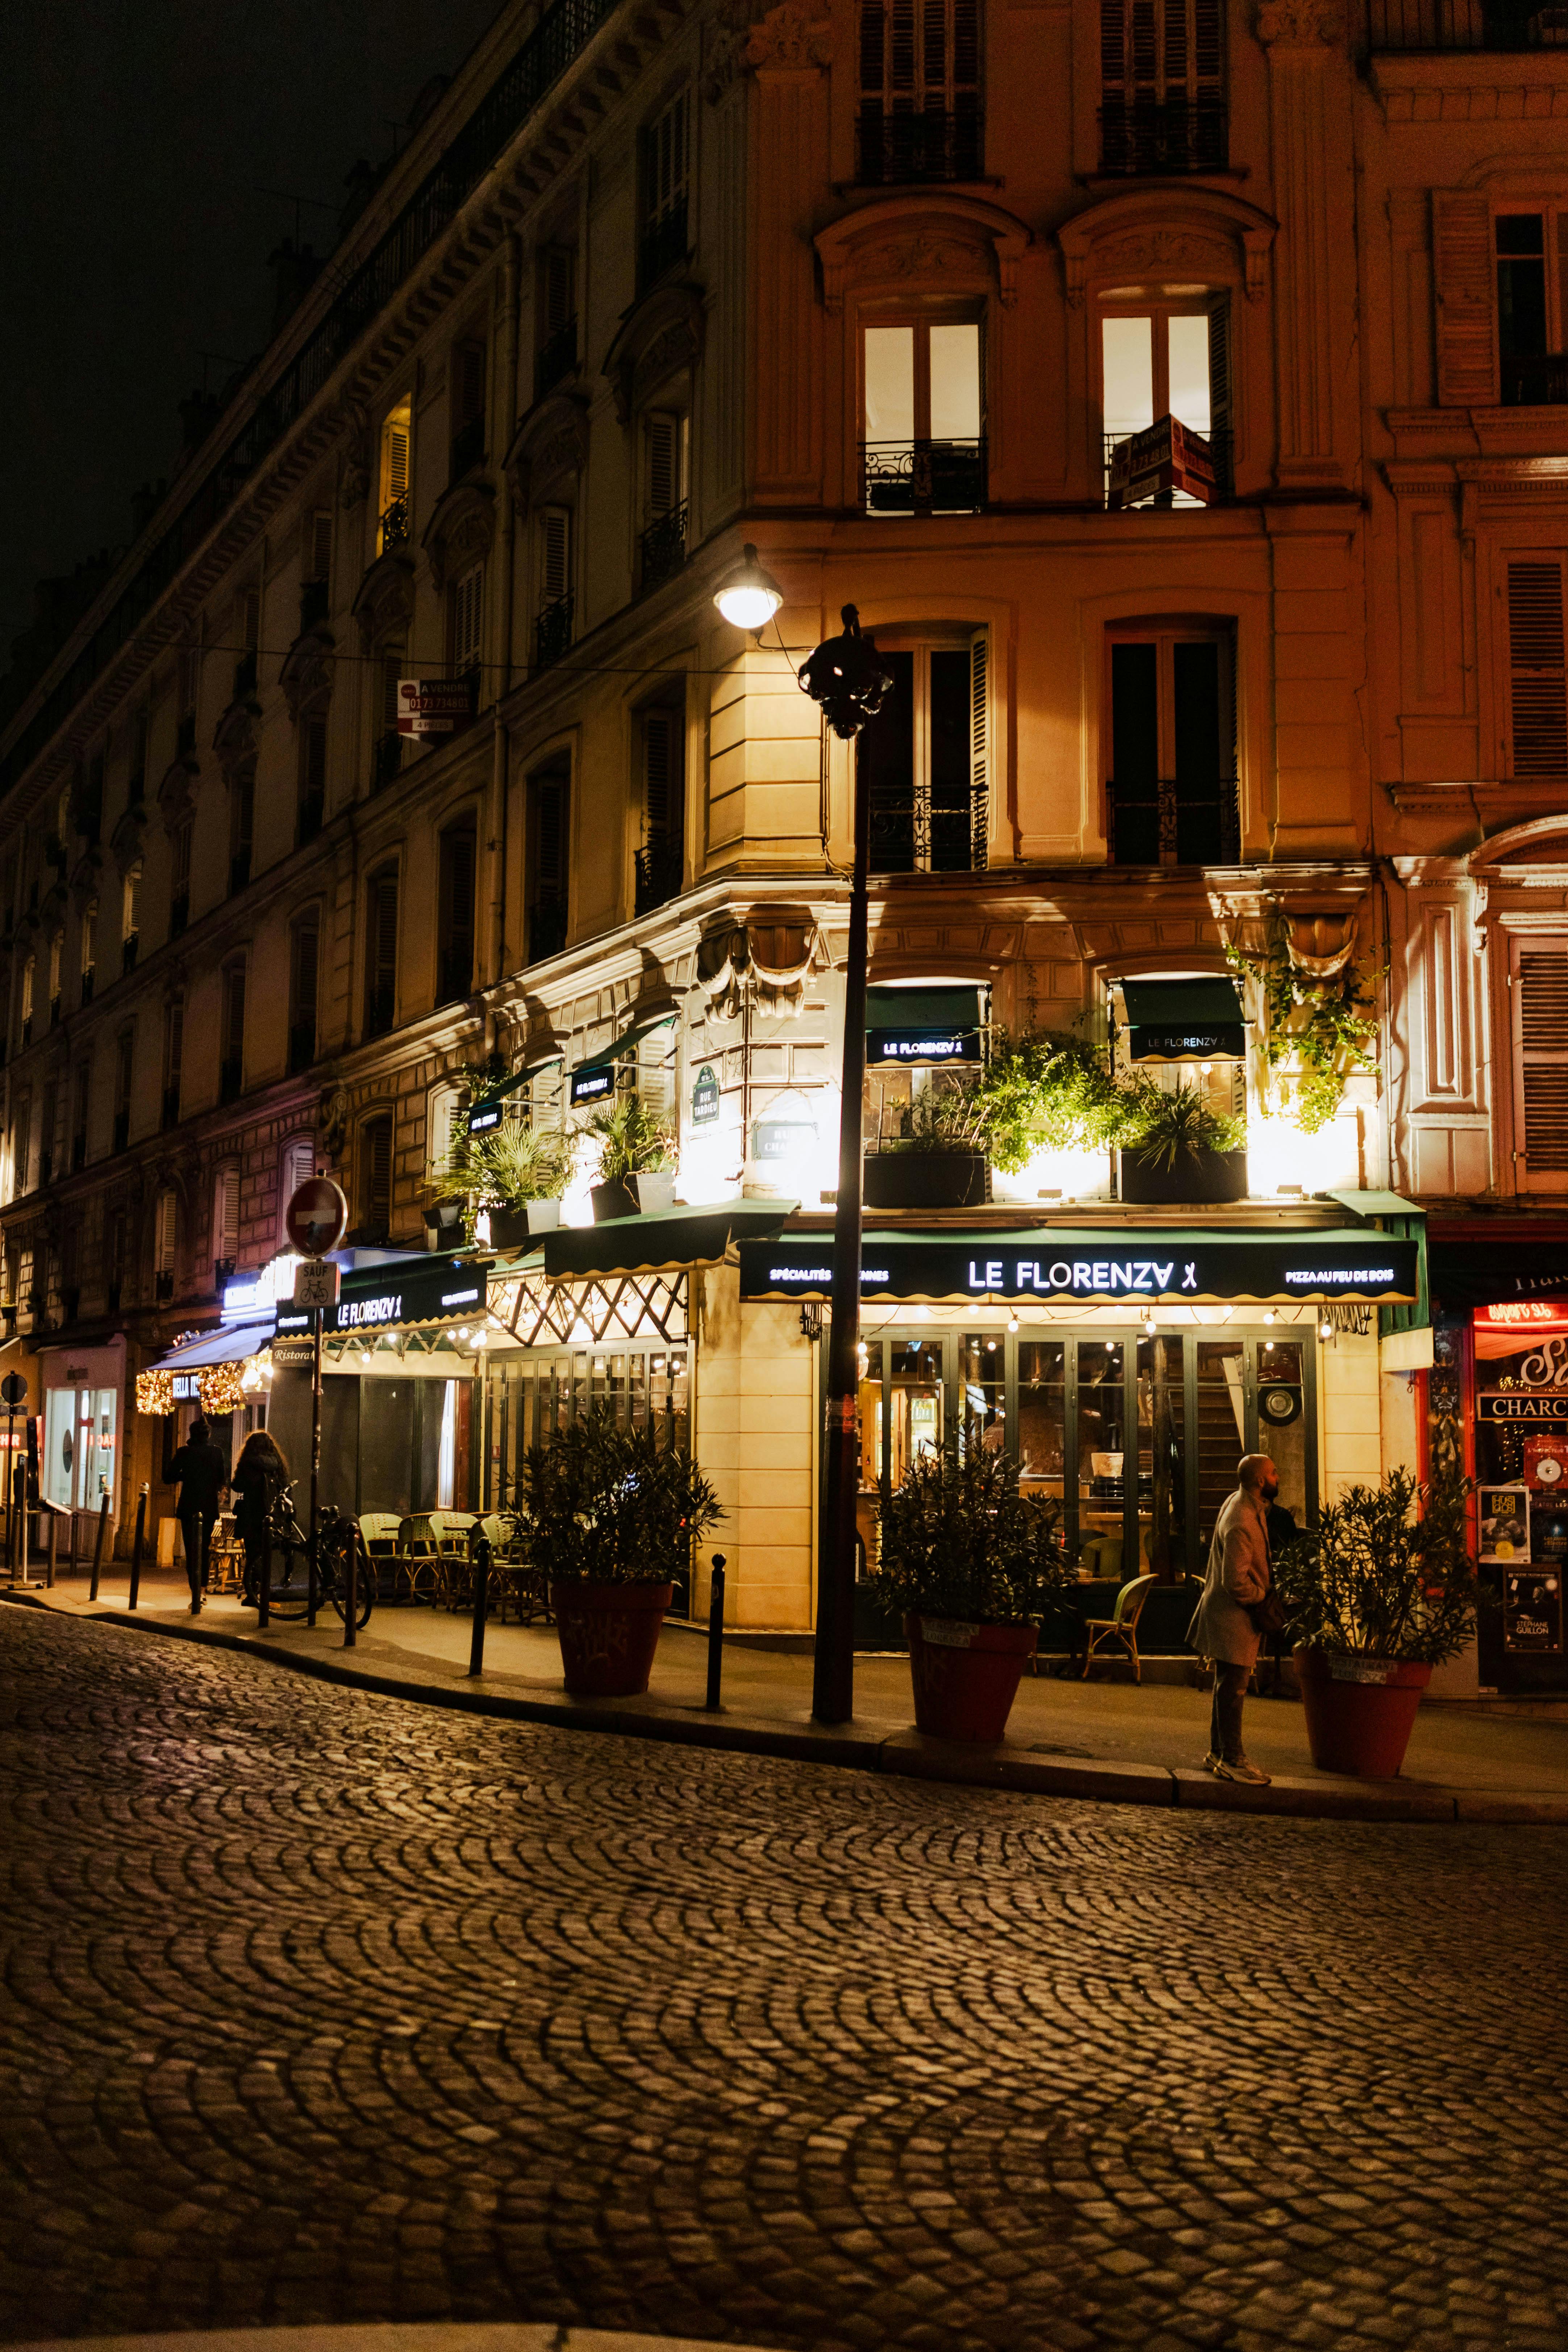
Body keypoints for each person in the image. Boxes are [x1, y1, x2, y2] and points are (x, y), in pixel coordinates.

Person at [1188, 1453, 1279, 1785]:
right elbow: (1235, 1580)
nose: (1277, 1477)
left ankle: (1219, 1752)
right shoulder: (1242, 1517)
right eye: (1273, 1473)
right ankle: (1233, 1758)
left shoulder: (1239, 1503)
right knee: (1235, 1688)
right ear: (1260, 1481)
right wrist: (1262, 1597)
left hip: (1227, 1614)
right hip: (1234, 1617)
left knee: (1226, 1685)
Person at [170, 1418, 229, 1614]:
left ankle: (195, 1593)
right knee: (203, 1549)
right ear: (208, 1435)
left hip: (189, 1507)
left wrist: (185, 1474)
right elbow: (221, 1479)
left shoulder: (184, 1453)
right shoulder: (217, 1452)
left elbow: (168, 1477)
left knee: (191, 1549)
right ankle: (202, 1591)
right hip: (208, 1507)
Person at [231, 1429, 291, 1607]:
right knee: (266, 1555)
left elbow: (237, 1486)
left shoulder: (248, 1464)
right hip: (272, 1515)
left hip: (252, 1516)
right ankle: (265, 1593)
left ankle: (253, 1594)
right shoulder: (277, 1465)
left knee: (253, 1556)